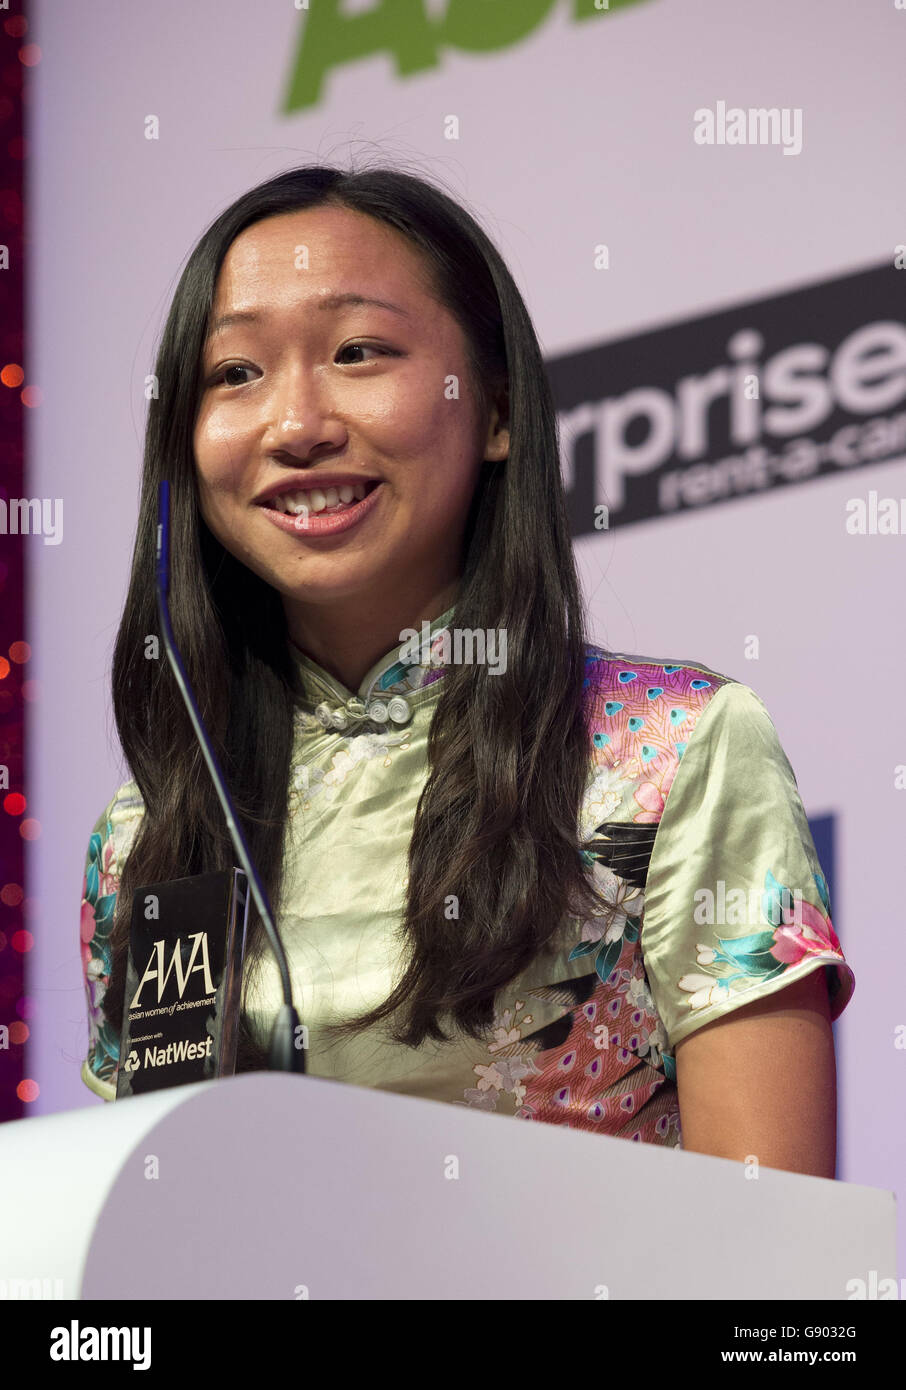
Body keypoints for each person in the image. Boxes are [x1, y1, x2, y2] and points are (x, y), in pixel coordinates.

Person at [79, 163, 853, 1176]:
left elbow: (779, 1274)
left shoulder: (675, 751)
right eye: (236, 373)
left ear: (495, 410)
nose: (296, 423)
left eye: (358, 351)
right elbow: (141, 1235)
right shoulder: (142, 835)